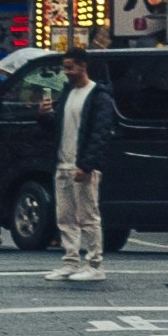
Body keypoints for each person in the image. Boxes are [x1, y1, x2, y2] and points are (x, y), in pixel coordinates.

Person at [53, 50, 114, 284]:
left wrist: (87, 164)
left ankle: (94, 263)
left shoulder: (99, 95)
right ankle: (70, 262)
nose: (67, 73)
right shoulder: (68, 93)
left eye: (70, 68)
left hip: (82, 166)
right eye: (65, 68)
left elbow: (100, 133)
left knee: (88, 217)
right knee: (65, 217)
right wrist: (45, 116)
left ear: (83, 66)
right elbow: (59, 128)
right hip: (62, 163)